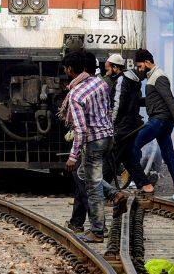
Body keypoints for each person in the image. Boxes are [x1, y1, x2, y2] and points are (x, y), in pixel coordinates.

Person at [62, 49, 121, 242]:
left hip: (94, 140)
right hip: (108, 136)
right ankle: (113, 193)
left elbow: (80, 129)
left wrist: (73, 156)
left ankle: (97, 231)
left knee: (93, 186)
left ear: (70, 70)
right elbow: (109, 109)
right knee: (83, 174)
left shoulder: (75, 95)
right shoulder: (100, 83)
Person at [132, 48, 174, 201]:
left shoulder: (159, 76)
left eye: (140, 66)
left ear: (147, 62)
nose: (139, 69)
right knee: (169, 156)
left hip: (160, 120)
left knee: (133, 145)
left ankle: (137, 180)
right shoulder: (152, 77)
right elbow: (152, 100)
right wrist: (133, 101)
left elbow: (169, 99)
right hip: (162, 121)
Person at [110, 58, 153, 194]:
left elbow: (118, 105)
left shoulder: (122, 80)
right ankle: (146, 185)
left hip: (123, 127)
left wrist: (111, 124)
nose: (107, 72)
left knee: (112, 159)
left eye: (108, 68)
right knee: (128, 158)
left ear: (115, 67)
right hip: (132, 125)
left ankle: (103, 194)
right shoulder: (134, 82)